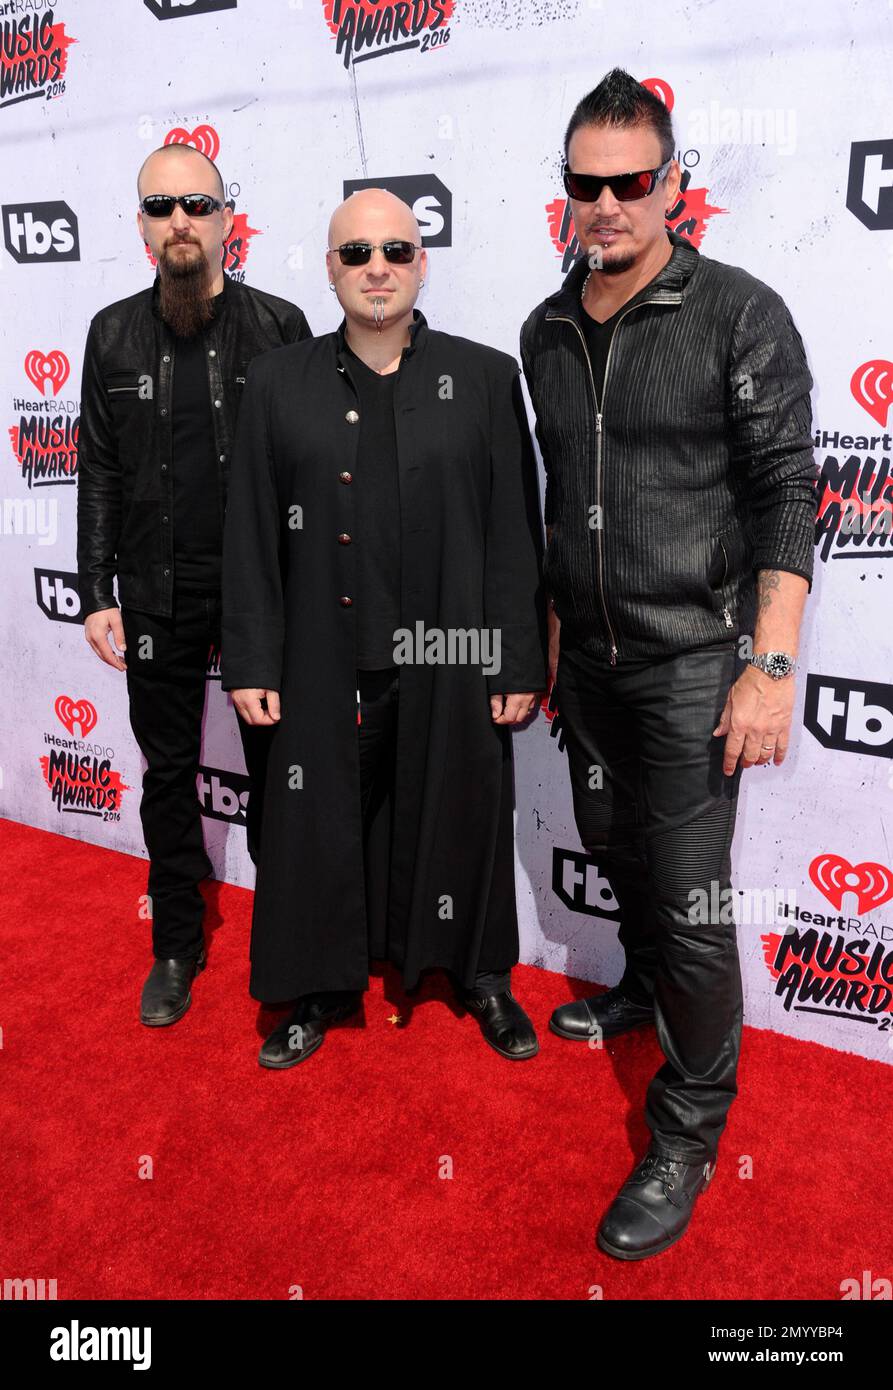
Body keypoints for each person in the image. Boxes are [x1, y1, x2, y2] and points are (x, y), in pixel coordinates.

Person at [520, 69, 818, 1259]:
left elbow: (788, 496)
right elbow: (554, 502)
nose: (606, 204)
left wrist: (771, 667)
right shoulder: (545, 329)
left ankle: (687, 1131)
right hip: (583, 663)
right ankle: (638, 992)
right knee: (610, 847)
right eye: (585, 184)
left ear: (672, 184)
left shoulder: (738, 312)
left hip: (697, 664)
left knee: (694, 905)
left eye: (628, 181)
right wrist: (547, 638)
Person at [220, 187, 547, 1069]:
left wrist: (517, 655)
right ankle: (318, 987)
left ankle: (478, 973)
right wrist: (250, 652)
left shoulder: (481, 379)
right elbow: (249, 530)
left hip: (452, 658)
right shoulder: (278, 383)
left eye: (395, 251)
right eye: (356, 254)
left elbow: (515, 531)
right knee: (311, 826)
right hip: (322, 663)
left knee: (465, 815)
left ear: (421, 263)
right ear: (329, 269)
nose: (377, 269)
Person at [77, 142, 312, 1028]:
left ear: (227, 219)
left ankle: (287, 946)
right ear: (141, 225)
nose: (181, 219)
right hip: (153, 592)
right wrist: (96, 587)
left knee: (277, 775)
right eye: (161, 205)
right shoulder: (112, 333)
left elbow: (311, 465)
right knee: (168, 775)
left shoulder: (280, 325)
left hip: (263, 594)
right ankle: (177, 939)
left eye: (197, 204)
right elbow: (96, 466)